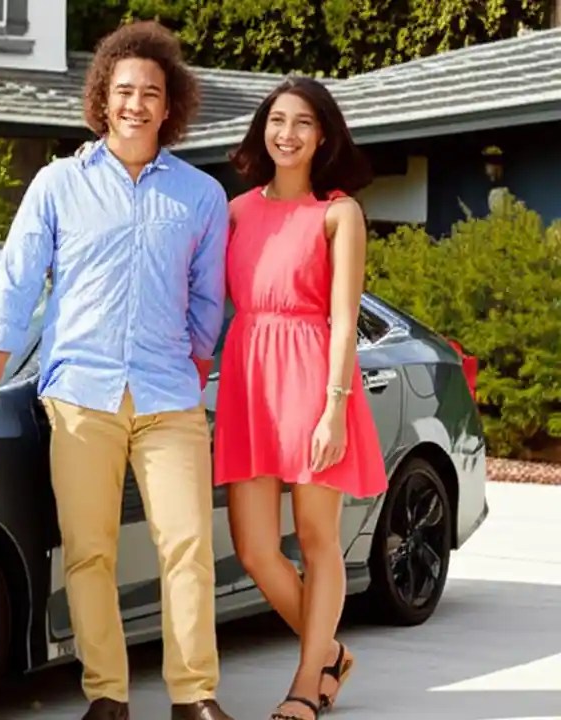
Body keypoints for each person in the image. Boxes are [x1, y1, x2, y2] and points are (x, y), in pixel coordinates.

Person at [0, 21, 234, 720]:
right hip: (80, 397)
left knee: (188, 546)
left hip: (168, 398)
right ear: (102, 98)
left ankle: (194, 696)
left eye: (151, 93)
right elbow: (16, 282)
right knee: (89, 553)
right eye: (124, 90)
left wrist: (192, 362)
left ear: (170, 105)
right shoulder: (57, 184)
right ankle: (108, 695)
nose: (136, 104)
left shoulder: (200, 197)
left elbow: (206, 297)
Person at [212, 76, 388, 720]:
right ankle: (331, 656)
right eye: (277, 120)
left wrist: (335, 408)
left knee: (318, 539)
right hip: (249, 381)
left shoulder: (339, 213)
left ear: (323, 136)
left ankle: (304, 687)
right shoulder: (234, 211)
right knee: (257, 549)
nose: (287, 133)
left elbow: (345, 320)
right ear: (263, 129)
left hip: (314, 380)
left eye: (303, 123)